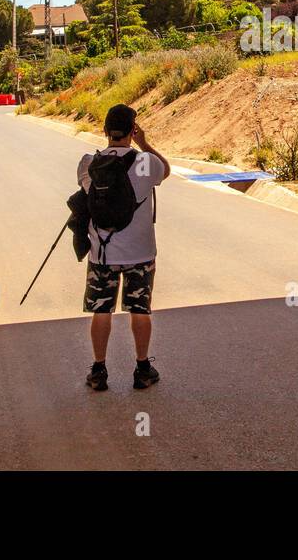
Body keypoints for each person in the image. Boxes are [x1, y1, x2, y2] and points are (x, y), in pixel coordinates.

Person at [77, 103, 170, 391]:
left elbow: (85, 191)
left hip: (102, 253)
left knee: (101, 310)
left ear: (104, 131)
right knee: (140, 309)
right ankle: (142, 369)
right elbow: (165, 170)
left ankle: (99, 370)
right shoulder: (145, 163)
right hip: (140, 254)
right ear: (132, 130)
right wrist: (143, 143)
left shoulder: (87, 163)